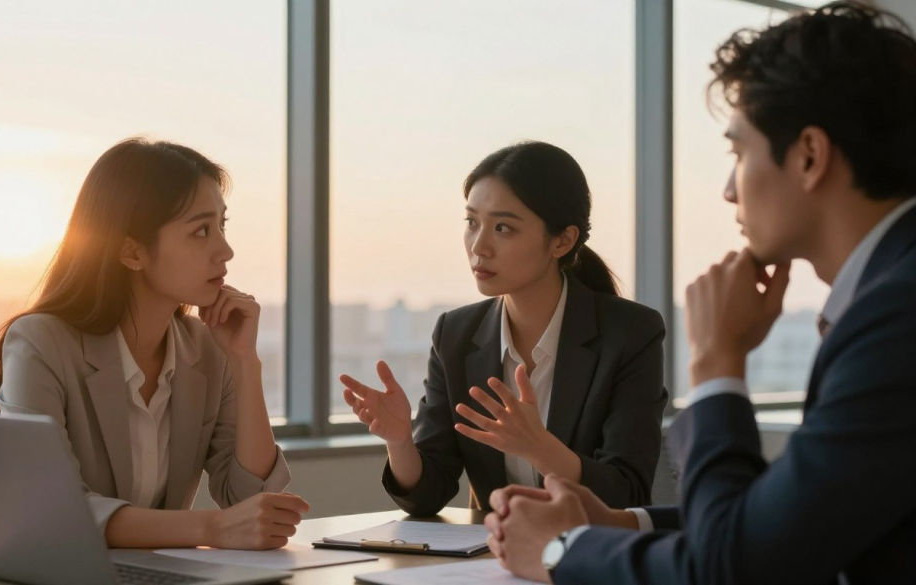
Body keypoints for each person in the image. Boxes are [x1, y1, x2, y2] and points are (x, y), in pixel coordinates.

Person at [485, 3, 916, 583]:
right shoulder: (889, 297)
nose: (729, 190)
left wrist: (716, 364)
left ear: (810, 156)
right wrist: (620, 523)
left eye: (738, 153)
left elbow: (737, 565)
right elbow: (789, 519)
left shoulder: (896, 319)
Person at [0, 138, 309, 550]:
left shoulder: (206, 348)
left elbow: (251, 502)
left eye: (222, 225)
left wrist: (244, 362)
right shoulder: (41, 342)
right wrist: (210, 528)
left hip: (161, 572)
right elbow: (50, 508)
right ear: (132, 251)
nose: (226, 251)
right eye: (201, 230)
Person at [340, 141, 668, 516]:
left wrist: (540, 448)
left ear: (562, 240)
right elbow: (428, 496)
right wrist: (400, 442)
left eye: (503, 228)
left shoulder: (630, 333)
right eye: (471, 223)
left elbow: (628, 494)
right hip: (499, 549)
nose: (479, 246)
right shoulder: (456, 334)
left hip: (588, 547)